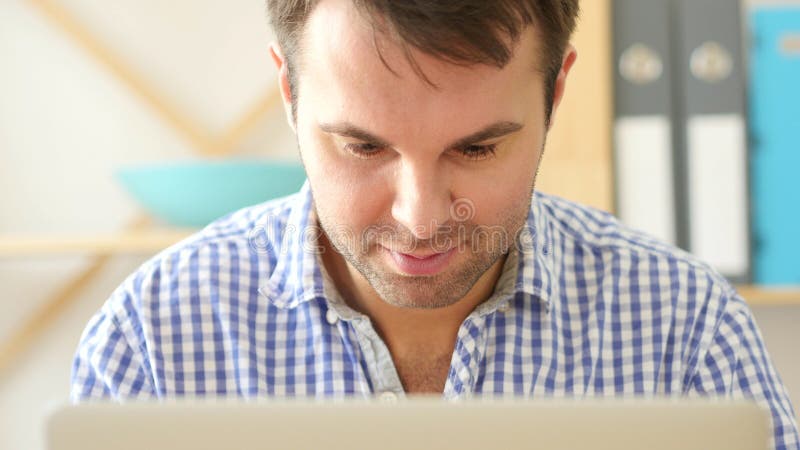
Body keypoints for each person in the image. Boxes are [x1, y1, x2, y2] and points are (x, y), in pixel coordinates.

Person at [72, 0, 798, 448]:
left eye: (477, 149)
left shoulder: (685, 328)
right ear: (290, 92)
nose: (419, 219)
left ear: (555, 92)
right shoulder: (152, 341)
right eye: (363, 147)